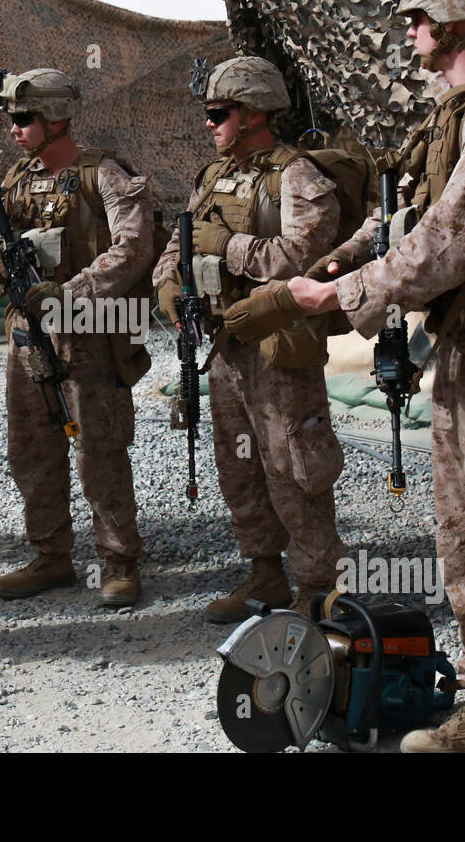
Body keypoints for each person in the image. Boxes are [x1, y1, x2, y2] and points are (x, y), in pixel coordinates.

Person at [227, 0, 465, 752]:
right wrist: (342, 259)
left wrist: (332, 296)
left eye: (419, 13)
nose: (408, 28)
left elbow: (452, 243)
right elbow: (410, 217)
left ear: (459, 11)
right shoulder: (458, 111)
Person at [152, 56, 346, 624]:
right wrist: (170, 283)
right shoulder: (211, 177)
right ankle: (264, 574)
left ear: (256, 112)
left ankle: (318, 587)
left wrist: (228, 244)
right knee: (239, 468)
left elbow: (303, 260)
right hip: (222, 348)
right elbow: (179, 243)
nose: (210, 124)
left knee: (294, 467)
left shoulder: (298, 177)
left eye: (220, 112)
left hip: (277, 348)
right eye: (208, 114)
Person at [0, 68, 154, 606]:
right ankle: (51, 556)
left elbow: (134, 248)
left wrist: (68, 292)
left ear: (55, 119)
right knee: (31, 450)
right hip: (29, 337)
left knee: (100, 448)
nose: (13, 129)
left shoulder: (105, 175)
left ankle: (119, 559)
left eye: (23, 119)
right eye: (11, 119)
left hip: (92, 334)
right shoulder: (18, 179)